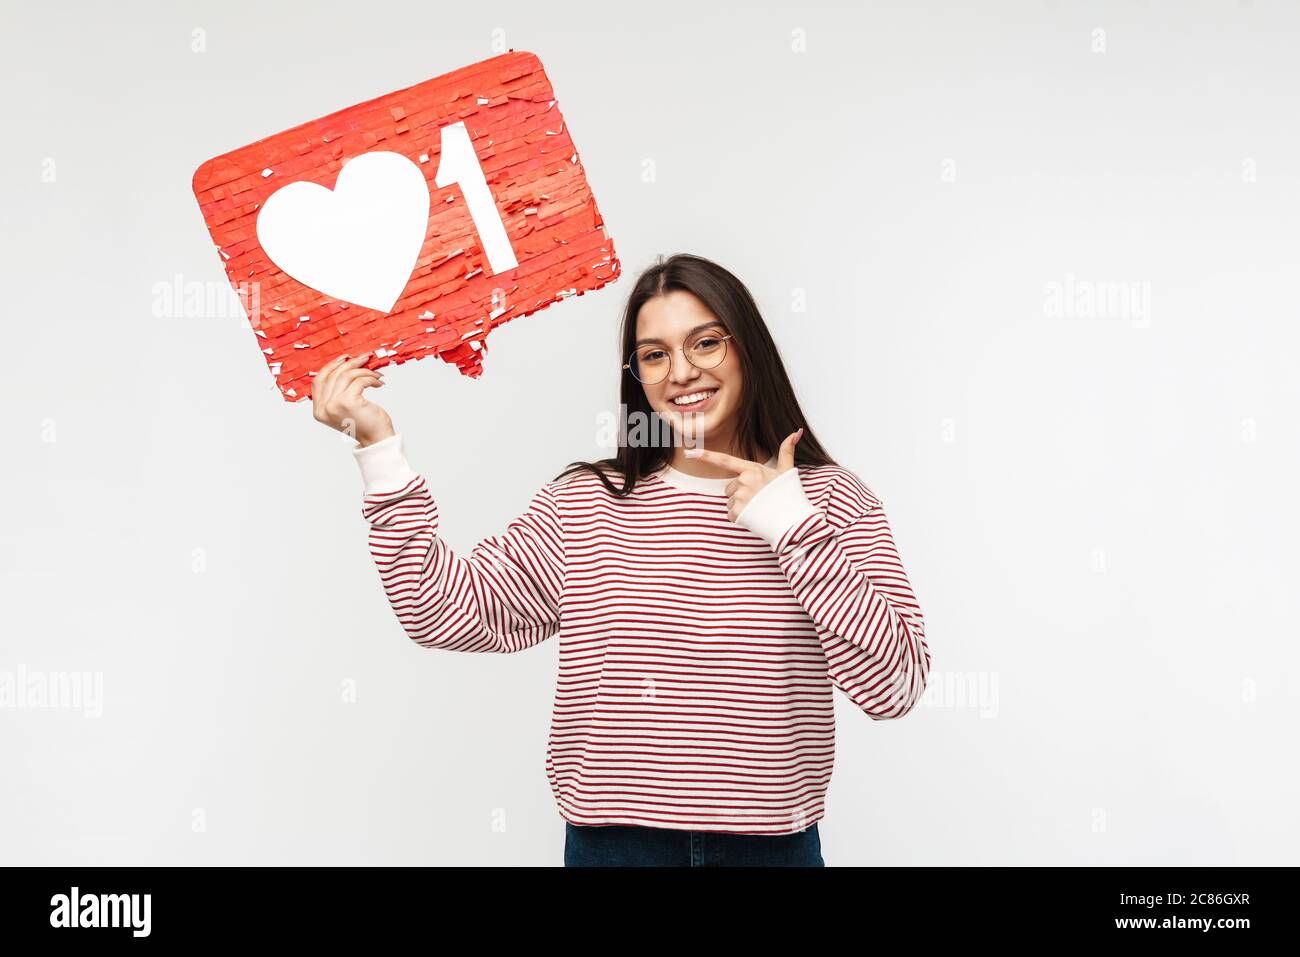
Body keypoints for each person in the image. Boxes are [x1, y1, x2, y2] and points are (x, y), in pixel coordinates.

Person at [310, 252, 931, 867]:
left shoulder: (828, 501)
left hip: (772, 850)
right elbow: (441, 611)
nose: (682, 372)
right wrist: (378, 448)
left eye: (706, 343)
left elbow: (896, 686)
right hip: (614, 850)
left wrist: (794, 529)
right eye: (655, 355)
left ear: (749, 349)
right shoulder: (586, 501)